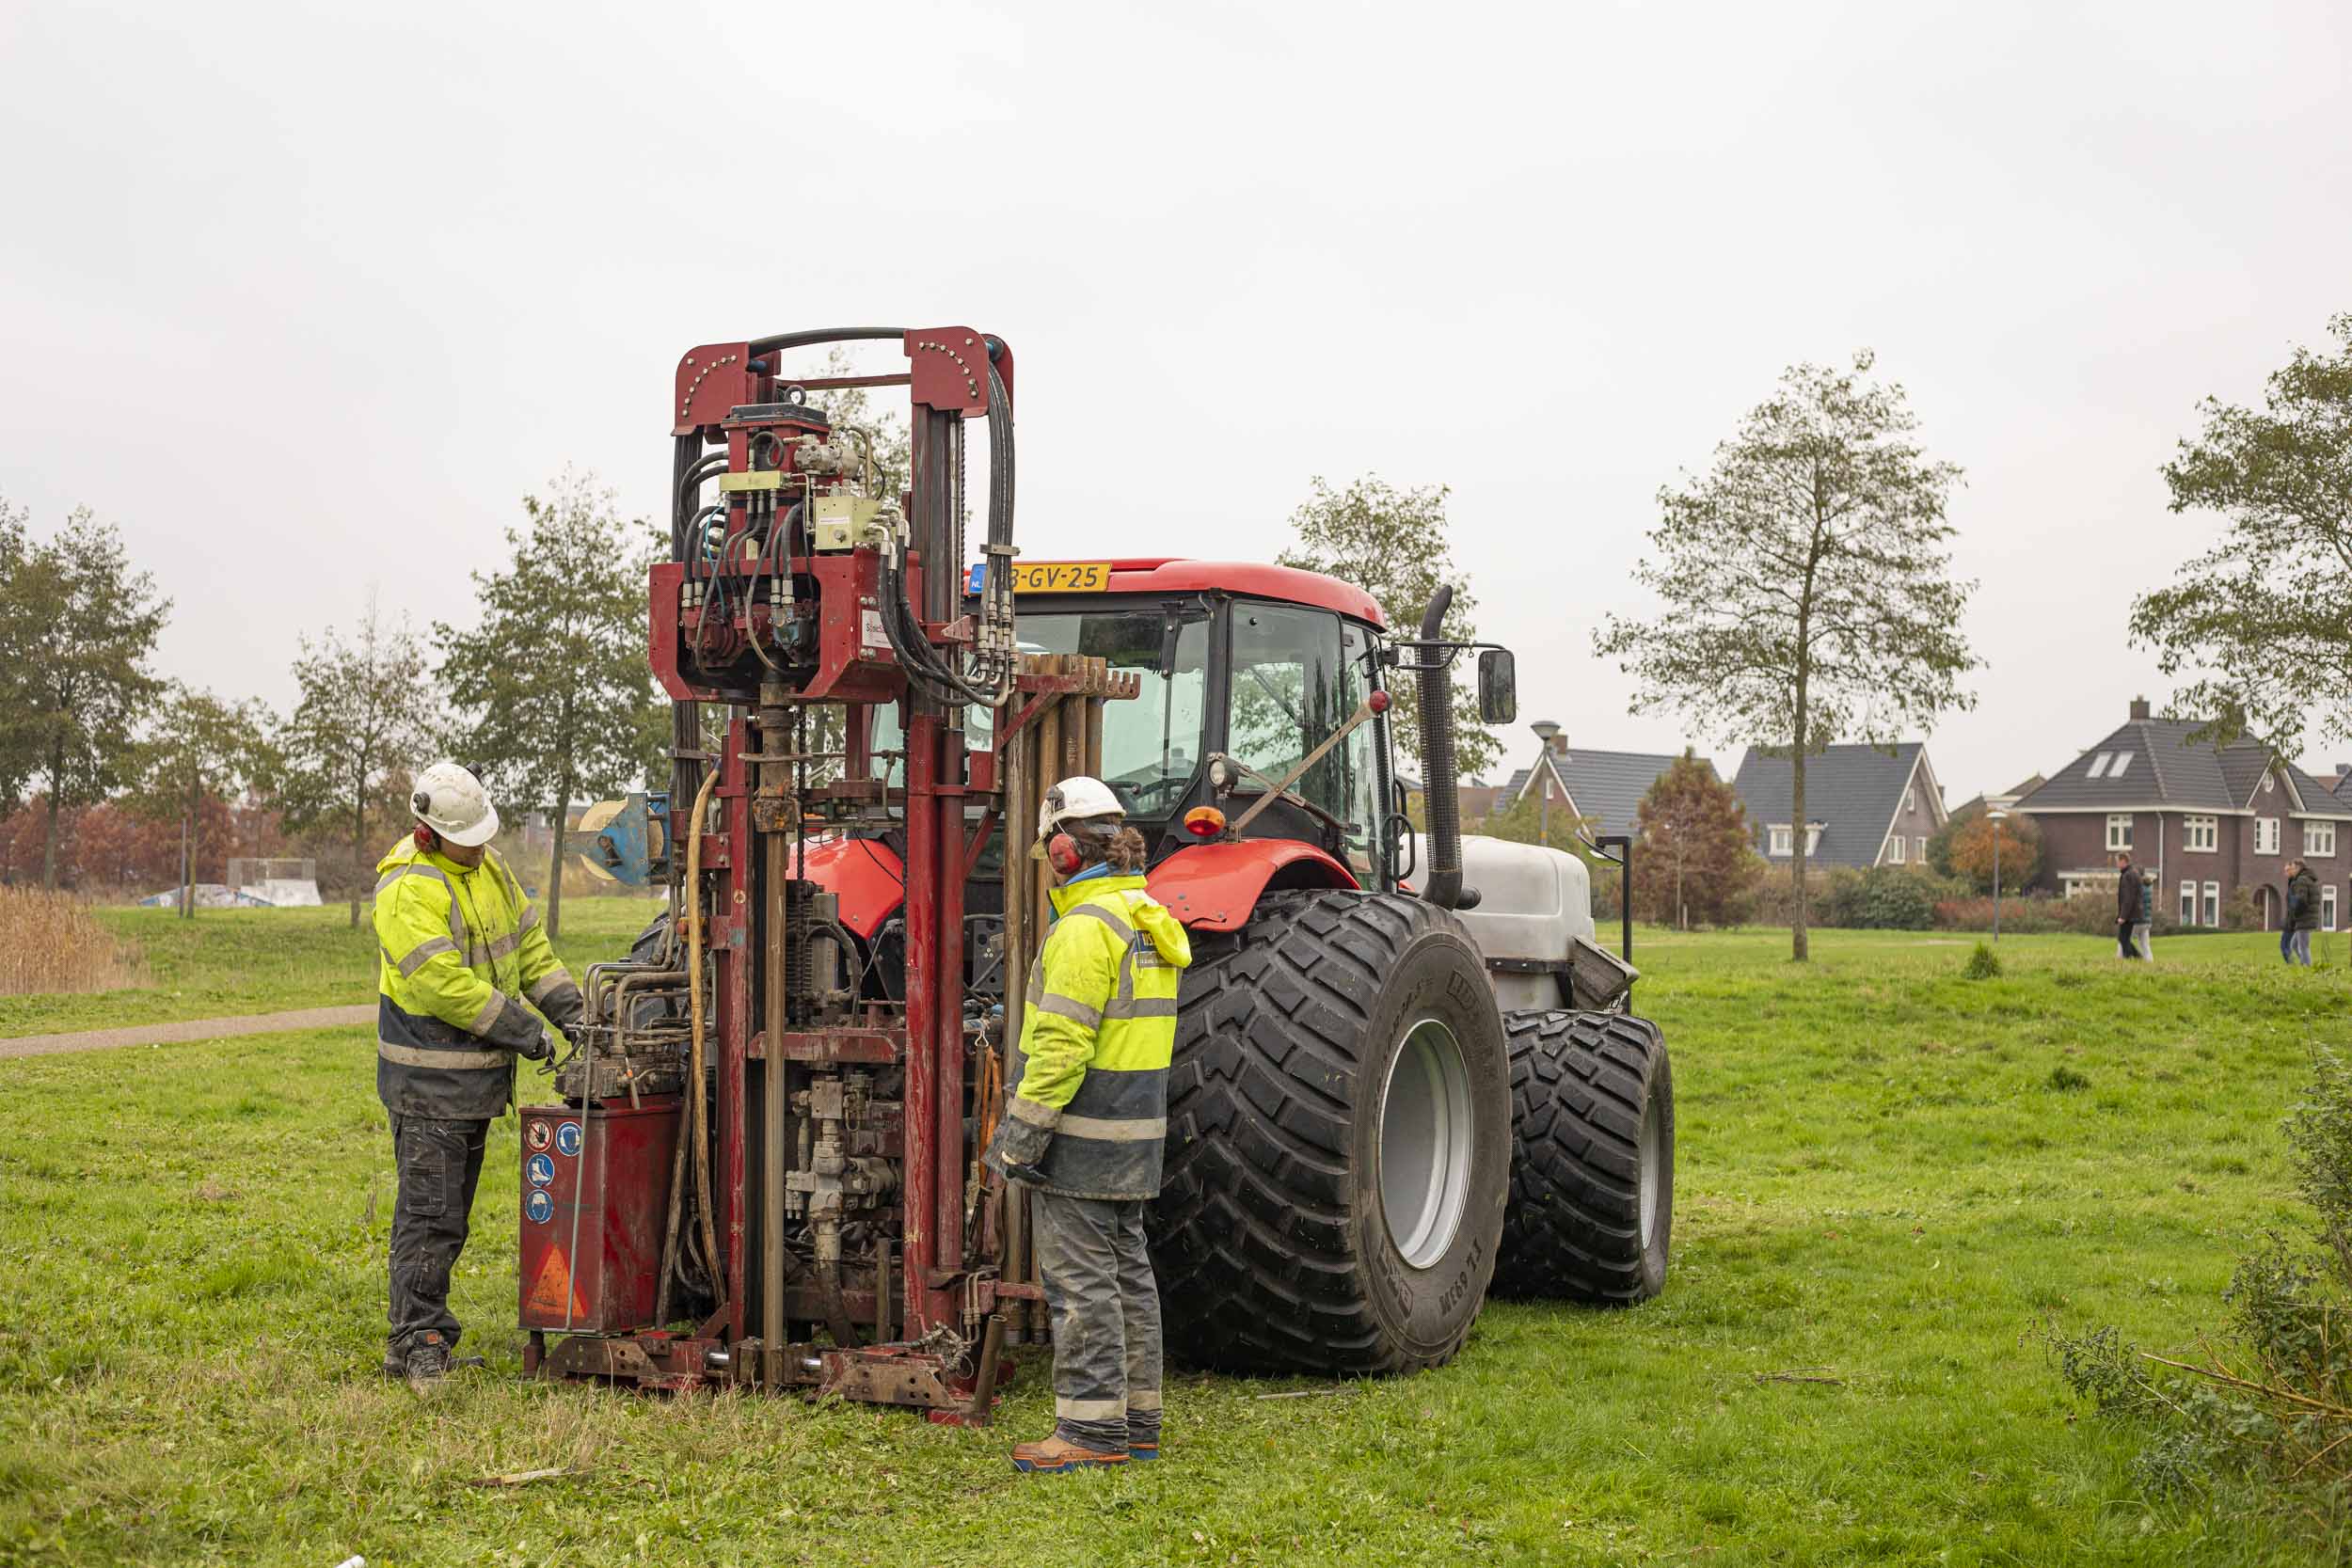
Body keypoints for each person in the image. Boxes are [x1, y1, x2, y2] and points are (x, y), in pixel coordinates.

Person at [984, 775, 1191, 1473]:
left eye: (1050, 849)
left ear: (1068, 851)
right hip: (1134, 1139)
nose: (1049, 861)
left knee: (1081, 1289)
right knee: (1129, 1276)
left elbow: (1062, 1051)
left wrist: (1018, 1139)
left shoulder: (1081, 932)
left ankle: (1089, 1432)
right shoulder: (1146, 917)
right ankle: (1137, 1424)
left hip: (1079, 1140)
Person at [373, 761, 584, 1382]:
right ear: (427, 834)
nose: (479, 847)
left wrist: (574, 1013)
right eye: (466, 839)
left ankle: (418, 1333)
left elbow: (532, 952)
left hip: (471, 1087)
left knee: (450, 1218)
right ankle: (417, 1341)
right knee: (430, 1217)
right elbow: (443, 985)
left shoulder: (488, 868)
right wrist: (524, 1030)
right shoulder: (409, 887)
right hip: (430, 1088)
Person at [2285, 858, 2319, 967]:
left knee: (2303, 946)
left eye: (2293, 868)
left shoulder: (2302, 880)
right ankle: (2304, 964)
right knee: (2294, 945)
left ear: (2299, 868)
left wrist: (2295, 912)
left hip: (2304, 918)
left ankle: (2308, 968)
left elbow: (2302, 900)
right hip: (2307, 917)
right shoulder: (2308, 879)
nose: (2292, 870)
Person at [2112, 850, 2143, 960]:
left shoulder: (2128, 875)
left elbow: (2128, 898)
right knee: (2124, 938)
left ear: (2123, 861)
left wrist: (2123, 916)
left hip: (2129, 913)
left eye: (2117, 861)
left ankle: (2132, 958)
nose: (2116, 864)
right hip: (2133, 912)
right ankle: (2137, 958)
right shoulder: (2133, 873)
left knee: (2123, 938)